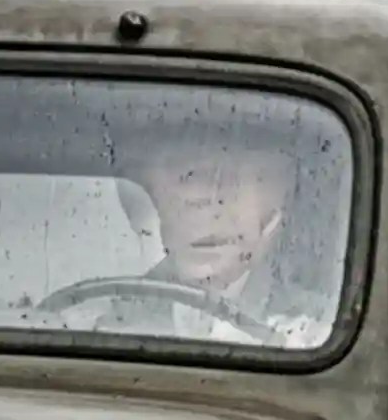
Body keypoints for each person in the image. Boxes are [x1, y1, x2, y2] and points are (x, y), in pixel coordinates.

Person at [98, 139, 334, 349]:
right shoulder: (114, 316)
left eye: (233, 181)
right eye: (188, 177)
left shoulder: (318, 329)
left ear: (275, 211)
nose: (207, 204)